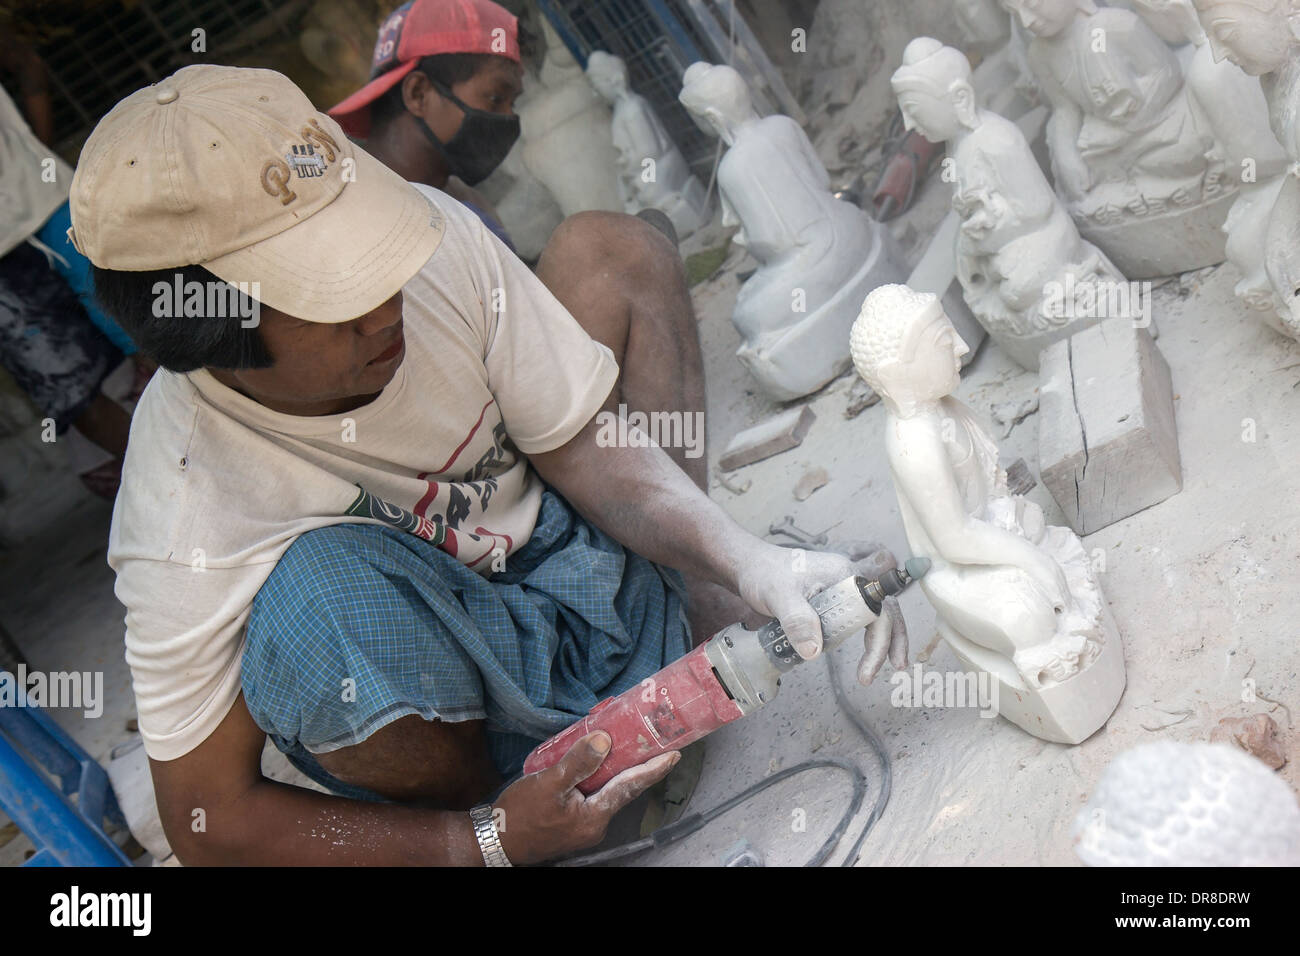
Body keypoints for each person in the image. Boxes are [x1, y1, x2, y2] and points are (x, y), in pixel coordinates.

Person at [80, 62, 898, 865]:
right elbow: (203, 815)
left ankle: (688, 603)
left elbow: (582, 442)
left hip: (589, 573)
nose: (384, 306)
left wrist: (746, 561)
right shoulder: (183, 504)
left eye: (373, 253)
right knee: (313, 609)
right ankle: (542, 824)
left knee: (613, 249)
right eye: (331, 295)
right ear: (207, 331)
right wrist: (478, 842)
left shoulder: (438, 244)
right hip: (476, 721)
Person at [0, 36, 134, 497]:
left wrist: (36, 152)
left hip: (49, 202)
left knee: (144, 326)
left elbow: (26, 60)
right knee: (70, 389)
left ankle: (229, 445)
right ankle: (177, 480)